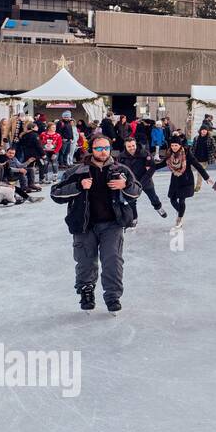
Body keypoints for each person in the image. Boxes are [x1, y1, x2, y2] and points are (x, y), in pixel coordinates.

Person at [50, 133, 141, 312]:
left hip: (112, 224)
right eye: (99, 148)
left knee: (113, 261)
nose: (103, 151)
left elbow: (137, 191)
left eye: (106, 148)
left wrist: (126, 185)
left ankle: (113, 296)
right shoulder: (77, 171)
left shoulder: (120, 170)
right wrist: (78, 186)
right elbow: (55, 193)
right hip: (85, 225)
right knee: (85, 262)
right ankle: (86, 292)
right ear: (91, 149)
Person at [164, 138, 209, 230]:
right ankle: (180, 211)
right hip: (175, 180)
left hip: (186, 179)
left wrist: (206, 177)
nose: (174, 147)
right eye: (172, 145)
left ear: (180, 145)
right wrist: (150, 167)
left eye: (176, 145)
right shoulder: (169, 154)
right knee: (172, 200)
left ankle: (180, 218)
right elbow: (161, 164)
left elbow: (197, 165)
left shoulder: (187, 154)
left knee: (181, 200)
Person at [118, 137, 167, 219]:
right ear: (125, 147)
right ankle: (134, 217)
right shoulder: (121, 156)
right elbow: (120, 169)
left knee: (153, 197)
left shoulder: (144, 154)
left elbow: (152, 168)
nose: (132, 148)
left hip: (145, 181)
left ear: (136, 144)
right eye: (129, 146)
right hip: (131, 183)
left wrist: (142, 182)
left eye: (133, 145)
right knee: (131, 201)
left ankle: (158, 207)